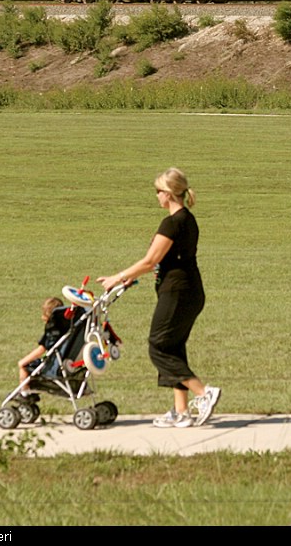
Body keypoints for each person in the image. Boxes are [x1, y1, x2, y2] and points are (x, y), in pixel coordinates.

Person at [98, 167, 221, 428]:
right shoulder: (188, 219)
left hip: (177, 292)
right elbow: (164, 259)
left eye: (158, 192)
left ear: (168, 193)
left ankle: (204, 393)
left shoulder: (172, 222)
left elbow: (151, 259)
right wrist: (131, 277)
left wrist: (117, 277)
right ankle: (181, 412)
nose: (156, 197)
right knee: (173, 346)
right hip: (189, 291)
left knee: (158, 345)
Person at [17, 296, 68, 389]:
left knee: (24, 367)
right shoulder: (67, 329)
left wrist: (23, 362)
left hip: (53, 366)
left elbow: (42, 349)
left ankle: (25, 394)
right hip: (67, 363)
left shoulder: (52, 331)